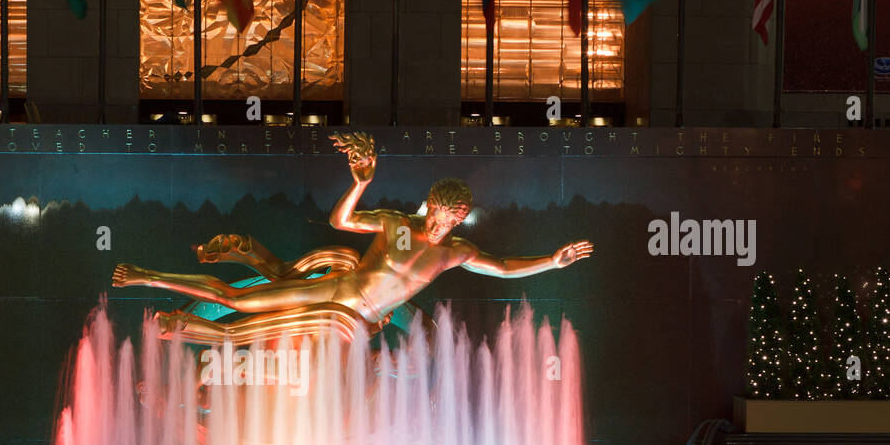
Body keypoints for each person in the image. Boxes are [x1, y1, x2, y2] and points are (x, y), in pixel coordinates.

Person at [112, 131, 592, 343]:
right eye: (444, 215)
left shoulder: (454, 253)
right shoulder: (397, 223)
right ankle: (148, 277)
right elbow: (342, 222)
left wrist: (552, 260)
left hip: (363, 323)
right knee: (238, 302)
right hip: (336, 293)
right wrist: (361, 182)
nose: (446, 225)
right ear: (432, 205)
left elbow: (503, 267)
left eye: (456, 219)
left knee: (254, 328)